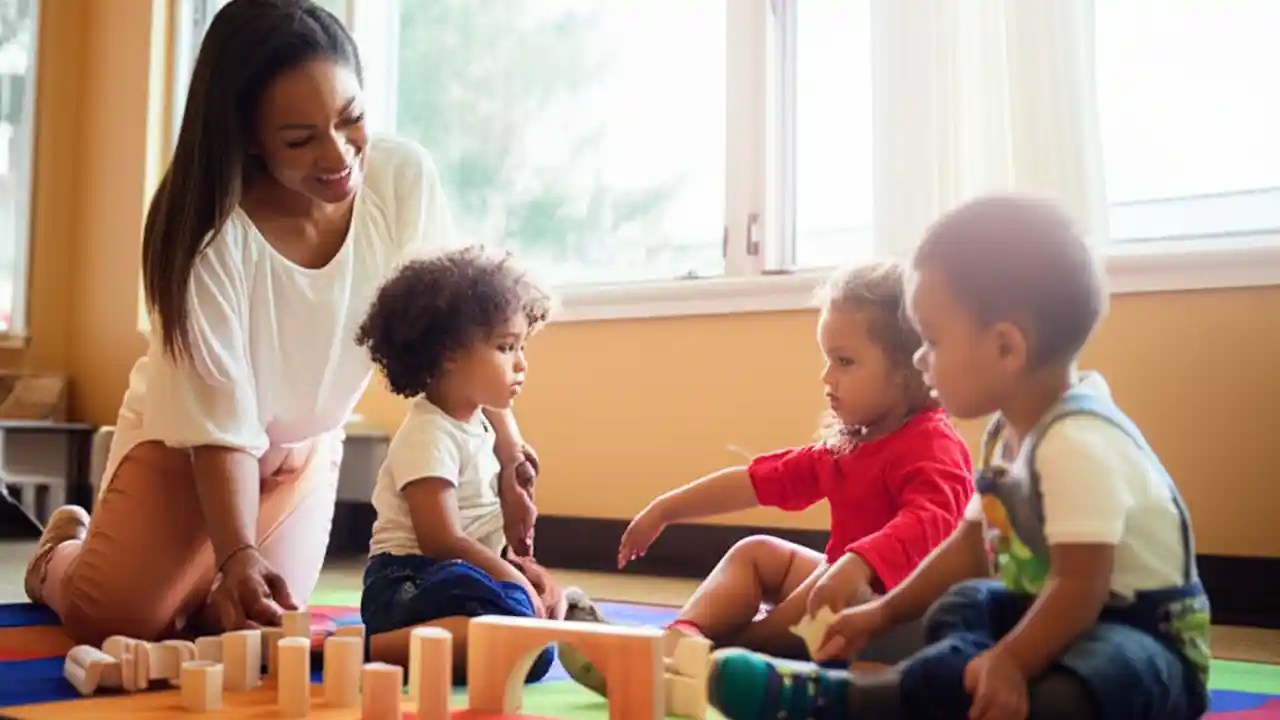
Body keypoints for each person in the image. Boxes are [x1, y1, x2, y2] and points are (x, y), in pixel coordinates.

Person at [22, 0, 538, 646]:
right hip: (190, 449)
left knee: (249, 627)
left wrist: (510, 454)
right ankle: (60, 553)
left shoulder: (401, 181)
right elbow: (218, 426)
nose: (338, 154)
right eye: (300, 139)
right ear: (248, 137)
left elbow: (462, 337)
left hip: (304, 452)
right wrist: (237, 551)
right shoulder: (207, 235)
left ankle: (200, 574)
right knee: (119, 621)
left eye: (351, 119)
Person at [707, 196, 1211, 720]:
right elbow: (968, 551)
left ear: (1005, 348)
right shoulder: (1005, 433)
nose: (921, 358)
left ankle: (874, 700)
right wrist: (882, 613)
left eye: (932, 340)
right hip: (1050, 615)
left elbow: (1079, 587)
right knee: (964, 603)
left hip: (1143, 640)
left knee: (1088, 681)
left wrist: (1012, 659)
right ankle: (893, 695)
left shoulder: (1076, 444)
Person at [561, 261, 974, 696]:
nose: (826, 376)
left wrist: (857, 563)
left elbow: (935, 524)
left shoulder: (933, 445)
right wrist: (666, 509)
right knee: (757, 552)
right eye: (826, 359)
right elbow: (757, 480)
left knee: (829, 584)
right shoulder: (853, 443)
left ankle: (700, 666)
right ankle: (677, 641)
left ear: (908, 372)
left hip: (904, 620)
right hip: (842, 593)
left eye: (845, 362)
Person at [354, 246, 598, 680]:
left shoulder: (480, 425)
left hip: (454, 575)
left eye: (522, 346)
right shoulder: (429, 432)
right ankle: (365, 647)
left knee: (530, 623)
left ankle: (520, 620)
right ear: (448, 354)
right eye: (506, 348)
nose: (522, 364)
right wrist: (513, 580)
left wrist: (521, 570)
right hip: (406, 582)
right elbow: (440, 539)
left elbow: (476, 534)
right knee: (523, 637)